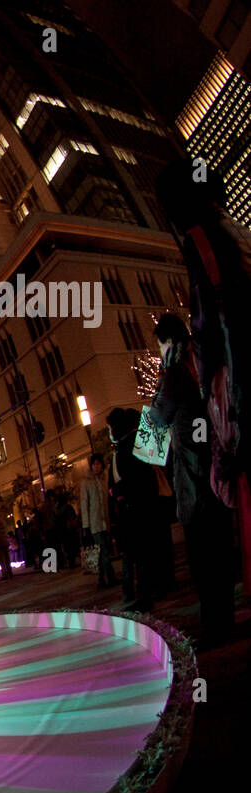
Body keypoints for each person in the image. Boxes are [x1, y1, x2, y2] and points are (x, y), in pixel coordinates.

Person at [155, 159, 251, 589]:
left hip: (230, 412)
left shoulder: (200, 241)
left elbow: (210, 327)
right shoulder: (233, 233)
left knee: (214, 548)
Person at [149, 313, 236, 640]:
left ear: (168, 342)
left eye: (160, 344)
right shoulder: (198, 363)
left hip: (194, 476)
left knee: (204, 559)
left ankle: (216, 628)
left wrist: (161, 378)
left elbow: (157, 419)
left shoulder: (174, 373)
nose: (159, 351)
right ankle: (221, 622)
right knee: (219, 556)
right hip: (213, 470)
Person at [107, 407, 161, 612]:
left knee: (140, 555)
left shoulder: (125, 448)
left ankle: (145, 594)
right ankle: (146, 592)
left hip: (135, 509)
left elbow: (129, 480)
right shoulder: (136, 443)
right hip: (144, 505)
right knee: (144, 555)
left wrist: (122, 495)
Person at [81, 454, 117, 589]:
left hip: (105, 521)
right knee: (103, 552)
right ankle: (111, 577)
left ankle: (101, 580)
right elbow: (84, 504)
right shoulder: (86, 482)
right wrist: (86, 526)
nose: (97, 466)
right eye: (94, 464)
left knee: (102, 551)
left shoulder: (104, 479)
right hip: (94, 522)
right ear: (91, 466)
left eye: (99, 464)